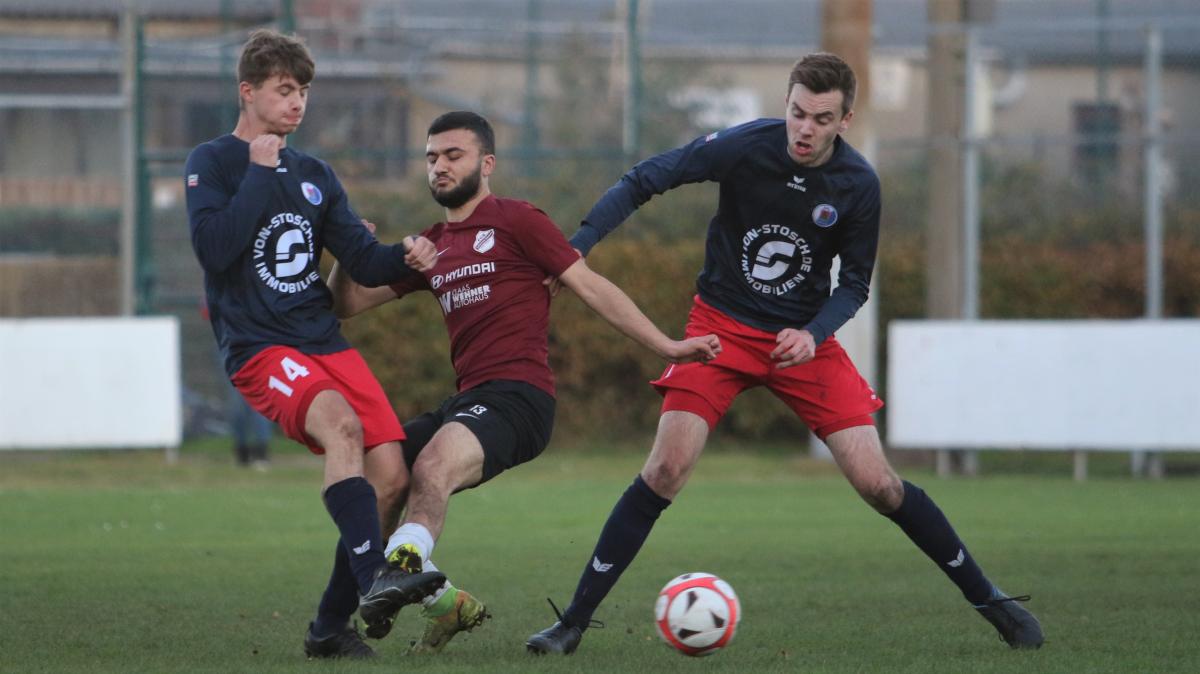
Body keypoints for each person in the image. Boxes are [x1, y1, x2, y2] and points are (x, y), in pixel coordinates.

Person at [526, 52, 1044, 654]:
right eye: (797, 112)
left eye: (820, 119)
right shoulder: (745, 147)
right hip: (719, 329)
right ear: (787, 105)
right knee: (666, 469)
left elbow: (854, 284)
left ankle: (991, 600)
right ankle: (572, 625)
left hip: (802, 343)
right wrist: (577, 249)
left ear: (844, 121)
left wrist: (815, 333)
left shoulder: (858, 185)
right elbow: (646, 178)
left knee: (879, 484)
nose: (804, 128)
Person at [326, 110, 721, 654]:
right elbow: (344, 306)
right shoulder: (432, 246)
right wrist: (349, 256)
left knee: (434, 463)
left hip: (520, 398)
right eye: (432, 157)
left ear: (487, 163)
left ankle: (397, 574)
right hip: (467, 399)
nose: (439, 166)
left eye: (453, 155)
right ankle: (430, 608)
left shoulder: (518, 221)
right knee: (383, 474)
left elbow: (589, 285)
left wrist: (668, 345)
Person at [184, 29, 446, 661]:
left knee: (391, 478)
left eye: (302, 90)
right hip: (258, 346)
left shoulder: (315, 175)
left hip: (322, 339)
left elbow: (360, 259)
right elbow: (215, 251)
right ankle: (373, 582)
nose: (296, 102)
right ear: (248, 93)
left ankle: (329, 630)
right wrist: (257, 172)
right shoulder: (212, 162)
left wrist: (408, 256)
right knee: (343, 430)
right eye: (283, 90)